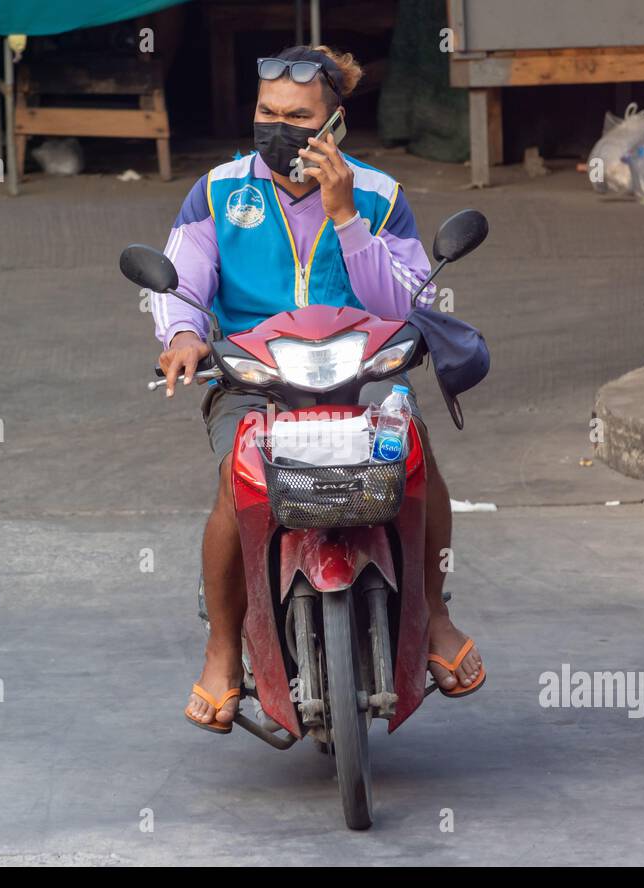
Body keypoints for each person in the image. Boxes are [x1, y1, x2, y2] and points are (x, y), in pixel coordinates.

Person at [150, 44, 485, 732]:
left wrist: (344, 215)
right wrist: (182, 335)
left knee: (417, 458)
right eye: (267, 113)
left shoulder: (381, 195)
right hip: (254, 375)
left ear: (333, 126)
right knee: (231, 482)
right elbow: (183, 278)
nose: (279, 128)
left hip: (363, 372)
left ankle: (437, 616)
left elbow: (403, 302)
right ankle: (222, 650)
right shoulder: (217, 191)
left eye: (298, 117)